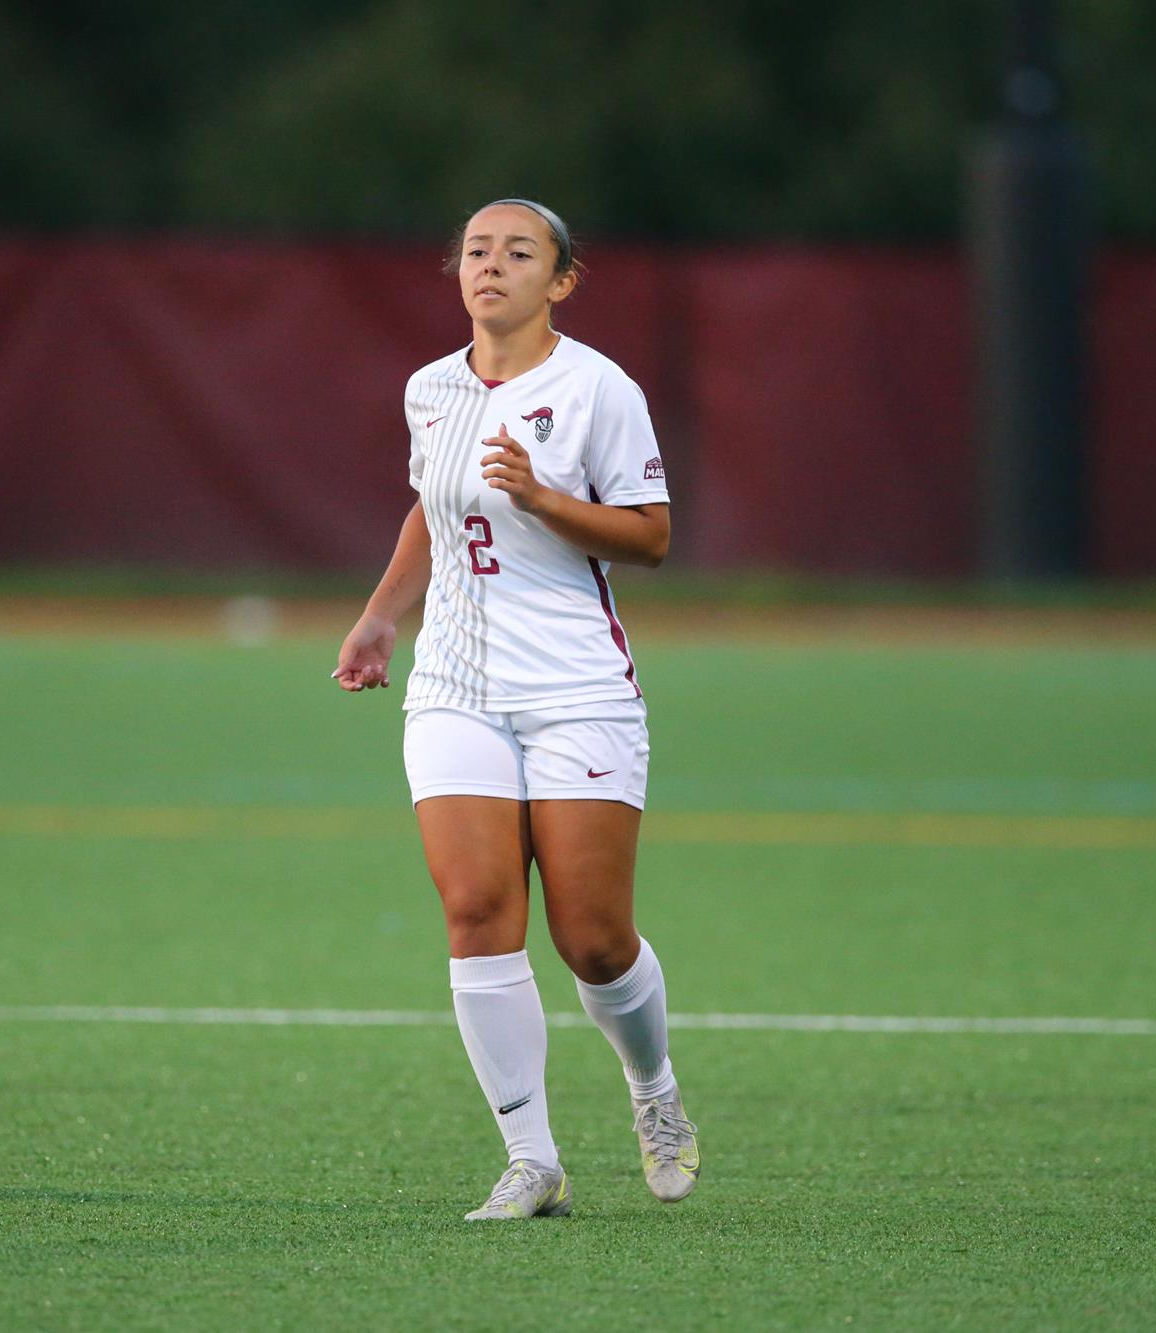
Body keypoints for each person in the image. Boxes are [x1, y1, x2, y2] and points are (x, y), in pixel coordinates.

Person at [333, 198, 697, 1221]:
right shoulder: (430, 388)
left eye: (518, 252)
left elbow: (651, 536)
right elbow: (430, 506)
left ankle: (653, 1091)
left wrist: (543, 499)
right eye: (476, 251)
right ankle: (530, 1159)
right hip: (453, 686)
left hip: (575, 688)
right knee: (476, 912)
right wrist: (378, 621)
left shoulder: (595, 389)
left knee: (590, 938)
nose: (491, 266)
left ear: (560, 280)